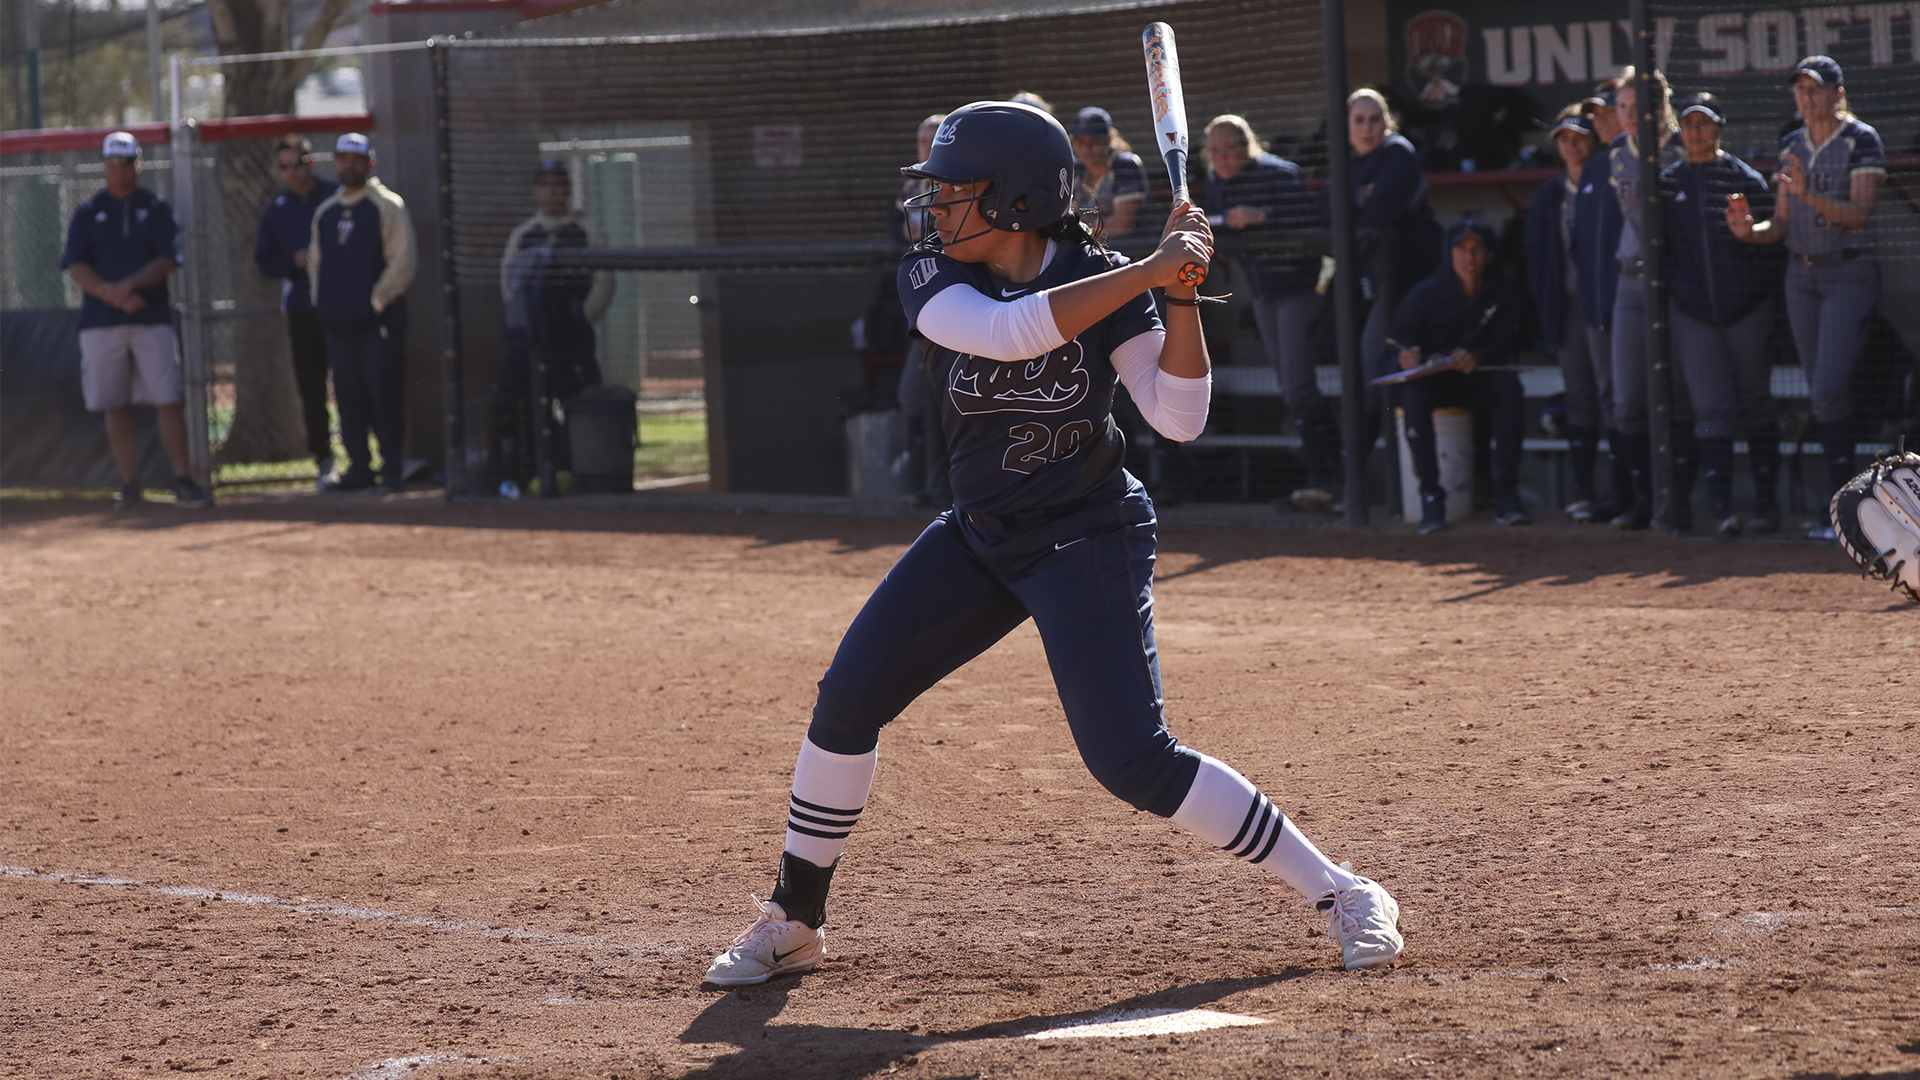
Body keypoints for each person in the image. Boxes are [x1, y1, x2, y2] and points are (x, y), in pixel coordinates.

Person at [703, 100, 1403, 987]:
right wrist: (1151, 268)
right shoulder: (932, 273)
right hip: (981, 531)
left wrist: (1178, 298)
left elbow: (1178, 418)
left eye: (957, 192)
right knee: (846, 700)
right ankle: (794, 920)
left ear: (1018, 202)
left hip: (1085, 532)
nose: (935, 208)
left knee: (1132, 762)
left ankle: (1344, 891)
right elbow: (1005, 332)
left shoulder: (1105, 277)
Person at [1727, 55, 1886, 539]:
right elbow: (1780, 223)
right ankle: (1837, 510)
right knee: (1821, 397)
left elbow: (1858, 214)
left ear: (1838, 92)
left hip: (1848, 273)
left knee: (1829, 390)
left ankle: (1848, 511)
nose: (1806, 97)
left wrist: (1806, 194)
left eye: (1815, 88)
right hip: (1801, 276)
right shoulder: (1792, 143)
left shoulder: (1861, 138)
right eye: (1800, 88)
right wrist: (1747, 231)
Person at [60, 130, 210, 511]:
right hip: (100, 321)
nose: (120, 170)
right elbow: (75, 265)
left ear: (137, 164)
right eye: (113, 163)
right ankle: (129, 483)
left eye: (127, 163)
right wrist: (110, 294)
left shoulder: (157, 208)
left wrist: (126, 286)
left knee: (167, 398)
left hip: (150, 317)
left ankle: (181, 479)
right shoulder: (88, 210)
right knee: (115, 403)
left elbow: (167, 259)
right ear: (104, 166)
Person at [1200, 113, 1336, 511]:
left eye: (1231, 149)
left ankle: (1332, 479)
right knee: (1290, 388)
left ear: (1248, 146)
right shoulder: (1215, 183)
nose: (1224, 158)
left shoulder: (1280, 174)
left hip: (1298, 289)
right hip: (1262, 293)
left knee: (1297, 386)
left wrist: (1263, 217)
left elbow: (1314, 228)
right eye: (1216, 151)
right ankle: (1325, 480)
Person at [1662, 93, 1782, 535]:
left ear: (1719, 128)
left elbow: (1772, 247)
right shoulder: (1667, 181)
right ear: (1679, 130)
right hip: (1693, 315)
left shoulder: (1745, 179)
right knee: (1710, 408)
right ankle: (1721, 510)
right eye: (1689, 124)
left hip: (1747, 313)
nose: (1696, 132)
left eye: (1704, 124)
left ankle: (1767, 506)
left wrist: (1749, 297)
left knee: (1755, 403)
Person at [1389, 220, 1528, 533]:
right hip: (1434, 382)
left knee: (1509, 388)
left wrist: (1478, 356)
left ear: (1489, 255)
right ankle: (1430, 498)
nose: (1470, 258)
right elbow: (1394, 347)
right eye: (1461, 249)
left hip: (1478, 379)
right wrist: (1408, 357)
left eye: (1477, 249)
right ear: (1449, 254)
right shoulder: (1423, 295)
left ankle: (1507, 496)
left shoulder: (1504, 289)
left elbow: (1508, 342)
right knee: (1415, 395)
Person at [1608, 68, 1694, 529]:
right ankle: (1642, 501)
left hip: (1675, 283)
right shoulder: (1618, 152)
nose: (1628, 116)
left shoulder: (1683, 146)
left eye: (1636, 106)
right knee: (1627, 400)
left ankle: (1678, 501)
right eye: (1621, 107)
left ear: (1659, 106)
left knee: (1677, 397)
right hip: (1630, 280)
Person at [495, 159, 613, 488]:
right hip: (534, 337)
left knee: (578, 399)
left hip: (573, 334)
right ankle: (542, 468)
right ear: (536, 190)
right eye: (545, 184)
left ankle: (588, 471)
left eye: (559, 185)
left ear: (569, 190)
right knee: (531, 400)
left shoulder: (588, 232)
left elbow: (604, 281)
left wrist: (585, 314)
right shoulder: (524, 235)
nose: (552, 191)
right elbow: (509, 282)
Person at [309, 133, 416, 493]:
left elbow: (404, 262)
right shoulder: (326, 211)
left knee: (383, 393)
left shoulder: (386, 206)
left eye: (356, 159)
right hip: (338, 324)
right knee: (348, 395)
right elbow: (316, 264)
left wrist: (375, 301)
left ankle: (392, 466)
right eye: (342, 158)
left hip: (377, 324)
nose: (348, 165)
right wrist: (322, 304)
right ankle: (358, 465)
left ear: (369, 163)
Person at [1525, 108, 1614, 522]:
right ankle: (1582, 491)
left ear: (1594, 139)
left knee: (1615, 396)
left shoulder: (1608, 180)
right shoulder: (1549, 194)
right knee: (1579, 398)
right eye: (1564, 138)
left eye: (1580, 137)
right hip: (1569, 307)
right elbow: (1539, 260)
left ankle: (1623, 490)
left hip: (1609, 306)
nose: (1572, 145)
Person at [254, 135, 340, 490]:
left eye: (298, 164)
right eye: (284, 166)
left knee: (353, 383)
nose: (292, 172)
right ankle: (325, 460)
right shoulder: (277, 209)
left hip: (343, 306)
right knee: (312, 387)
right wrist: (293, 261)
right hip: (303, 309)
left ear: (311, 162)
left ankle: (366, 459)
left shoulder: (335, 197)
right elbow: (265, 261)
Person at [1344, 89, 1443, 378]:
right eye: (1359, 120)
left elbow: (1379, 214)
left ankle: (1382, 423)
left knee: (1376, 357)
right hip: (1374, 277)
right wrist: (1362, 195)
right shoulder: (1347, 161)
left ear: (1387, 123)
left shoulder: (1397, 151)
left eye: (1374, 120)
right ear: (1347, 124)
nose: (1367, 128)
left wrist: (1352, 201)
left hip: (1412, 277)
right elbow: (1326, 208)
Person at [1572, 84, 1636, 523]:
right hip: (1597, 307)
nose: (1598, 121)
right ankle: (1622, 494)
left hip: (1631, 302)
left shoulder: (1638, 160)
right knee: (1611, 397)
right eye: (1592, 115)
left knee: (1635, 401)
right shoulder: (1595, 168)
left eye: (1605, 112)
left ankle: (1648, 497)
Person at [892, 114, 953, 508]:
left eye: (934, 142)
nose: (926, 150)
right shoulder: (913, 183)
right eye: (921, 142)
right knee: (915, 397)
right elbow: (905, 231)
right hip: (923, 296)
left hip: (957, 289)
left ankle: (949, 489)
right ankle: (929, 486)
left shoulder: (961, 180)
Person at [1070, 106, 1150, 237]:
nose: (1086, 148)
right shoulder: (1077, 170)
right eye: (1080, 141)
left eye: (1093, 141)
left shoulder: (1126, 166)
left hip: (1134, 250)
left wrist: (1079, 230)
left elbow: (1121, 226)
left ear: (1107, 140)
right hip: (1092, 249)